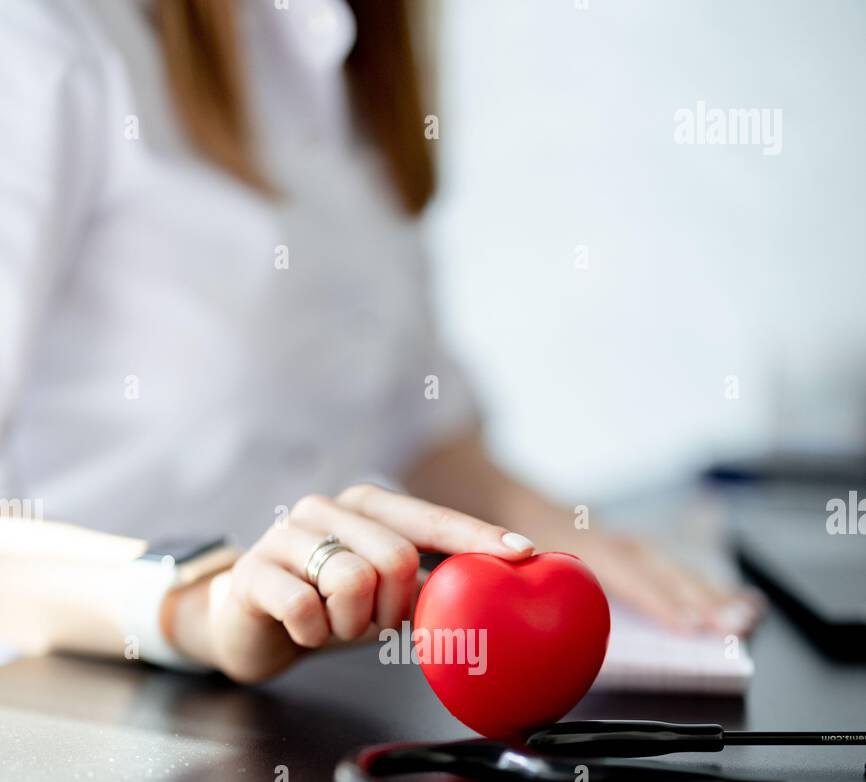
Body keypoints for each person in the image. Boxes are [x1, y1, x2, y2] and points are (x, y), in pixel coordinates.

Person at [0, 0, 760, 684]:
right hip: (65, 718)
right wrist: (205, 602)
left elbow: (414, 422)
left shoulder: (346, 55)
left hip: (300, 710)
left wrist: (568, 545)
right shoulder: (46, 41)